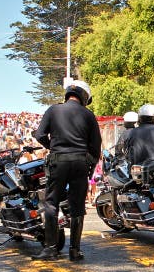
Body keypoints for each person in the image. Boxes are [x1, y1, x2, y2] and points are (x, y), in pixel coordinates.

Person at [32, 80, 102, 262]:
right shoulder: (88, 115)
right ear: (84, 96)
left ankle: (51, 248)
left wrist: (53, 147)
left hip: (58, 161)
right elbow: (96, 147)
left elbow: (39, 135)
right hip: (80, 162)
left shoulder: (53, 110)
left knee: (51, 203)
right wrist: (90, 166)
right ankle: (75, 250)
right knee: (78, 207)